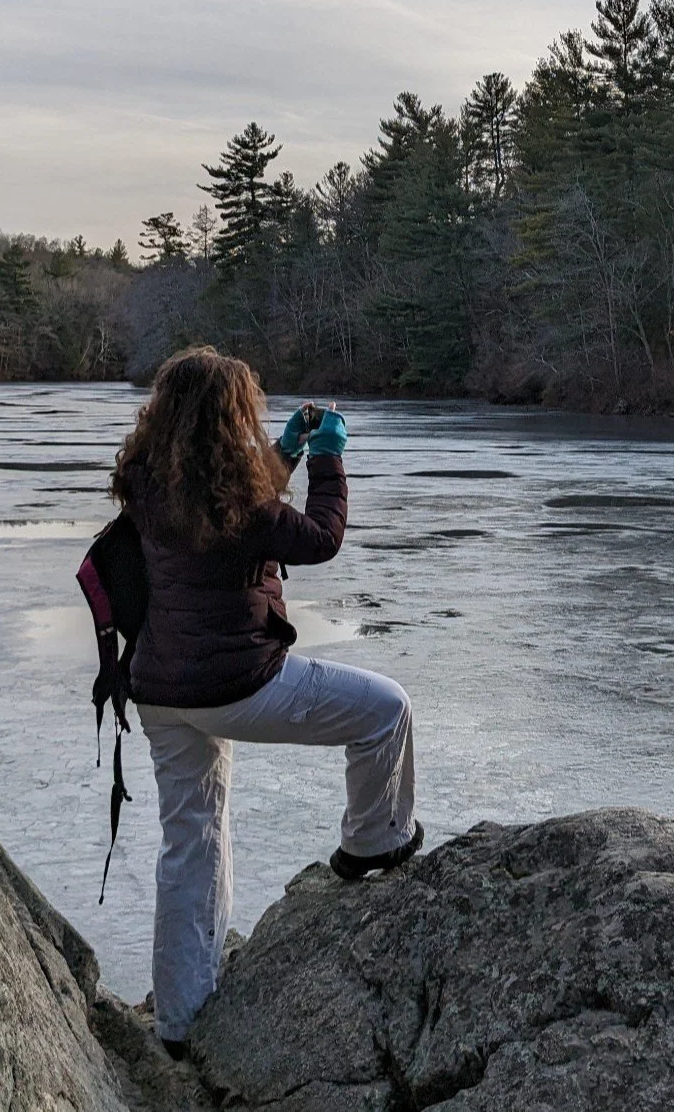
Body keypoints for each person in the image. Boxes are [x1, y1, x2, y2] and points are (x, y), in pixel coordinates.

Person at [110, 345, 420, 1056]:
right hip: (236, 687)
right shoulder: (240, 503)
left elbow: (238, 501)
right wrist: (328, 458)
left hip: (160, 693)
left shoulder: (148, 483)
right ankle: (372, 841)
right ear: (231, 417)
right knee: (386, 710)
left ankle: (180, 1021)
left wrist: (285, 450)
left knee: (189, 846)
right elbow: (320, 538)